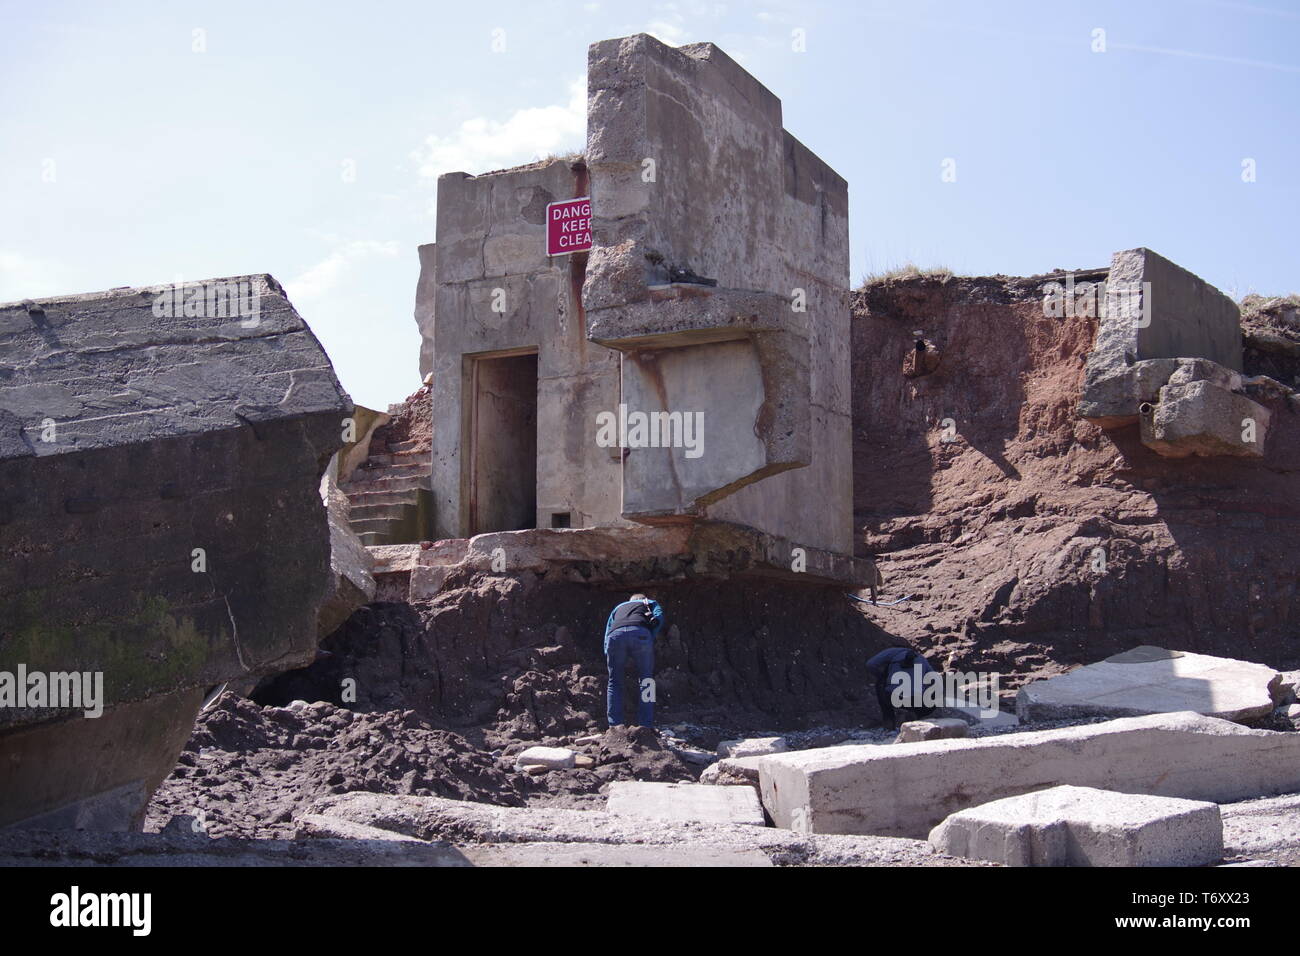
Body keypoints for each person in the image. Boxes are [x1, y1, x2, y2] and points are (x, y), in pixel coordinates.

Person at [604, 593, 664, 728]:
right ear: (643, 599)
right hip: (640, 633)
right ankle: (646, 725)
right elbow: (659, 619)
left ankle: (614, 725)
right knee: (647, 681)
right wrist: (649, 637)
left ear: (629, 601)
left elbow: (608, 629)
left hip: (615, 635)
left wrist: (608, 651)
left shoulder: (619, 607)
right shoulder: (649, 602)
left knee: (614, 681)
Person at [866, 646, 936, 729]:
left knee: (880, 684)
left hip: (893, 697)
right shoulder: (922, 659)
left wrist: (884, 676)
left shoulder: (892, 652)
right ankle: (917, 716)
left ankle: (889, 721)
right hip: (917, 702)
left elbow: (870, 664)